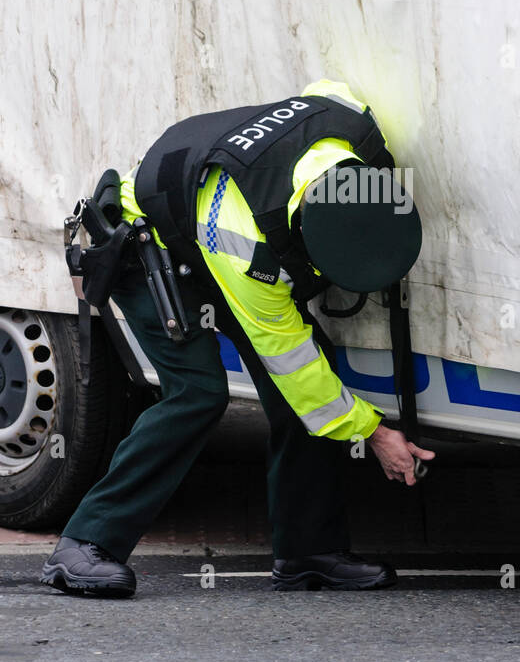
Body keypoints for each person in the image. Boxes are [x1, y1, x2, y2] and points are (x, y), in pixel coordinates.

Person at [41, 79, 434, 598]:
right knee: (198, 394)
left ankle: (307, 552)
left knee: (309, 374)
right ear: (300, 232)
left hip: (199, 215)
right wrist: (377, 434)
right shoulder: (246, 248)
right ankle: (83, 544)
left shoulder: (348, 132)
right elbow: (299, 377)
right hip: (150, 245)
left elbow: (327, 91)